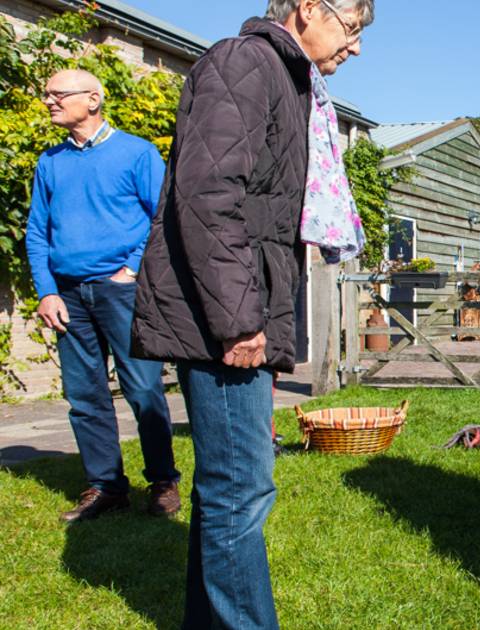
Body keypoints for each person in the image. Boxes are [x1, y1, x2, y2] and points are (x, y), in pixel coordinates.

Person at [129, 1, 373, 627]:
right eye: (352, 29)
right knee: (240, 489)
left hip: (235, 307)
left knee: (224, 492)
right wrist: (239, 320)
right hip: (225, 318)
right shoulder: (245, 63)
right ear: (310, 8)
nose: (357, 48)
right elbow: (208, 197)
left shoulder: (287, 78)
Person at [25, 68, 179, 523]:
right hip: (68, 297)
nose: (49, 101)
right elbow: (37, 232)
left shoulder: (137, 153)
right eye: (46, 93)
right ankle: (107, 487)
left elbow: (163, 218)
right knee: (84, 396)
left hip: (122, 293)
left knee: (144, 387)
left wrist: (131, 268)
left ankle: (162, 481)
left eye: (58, 94)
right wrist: (47, 291)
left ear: (93, 99)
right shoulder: (50, 162)